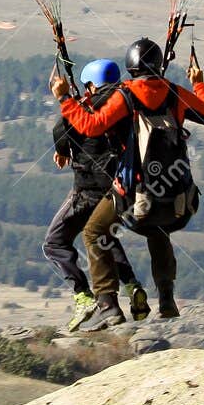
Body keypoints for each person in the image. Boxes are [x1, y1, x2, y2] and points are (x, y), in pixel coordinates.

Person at [51, 36, 204, 331]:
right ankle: (167, 301)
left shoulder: (126, 94)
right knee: (157, 229)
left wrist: (66, 99)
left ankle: (108, 305)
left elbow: (91, 126)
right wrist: (199, 83)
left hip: (133, 192)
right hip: (176, 195)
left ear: (130, 67)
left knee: (94, 232)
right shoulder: (173, 92)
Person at [44, 58, 150, 330]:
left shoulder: (84, 111)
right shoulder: (125, 108)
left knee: (54, 242)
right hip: (118, 191)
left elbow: (61, 131)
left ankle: (83, 296)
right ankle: (131, 284)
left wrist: (67, 100)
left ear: (90, 85)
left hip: (87, 191)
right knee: (102, 237)